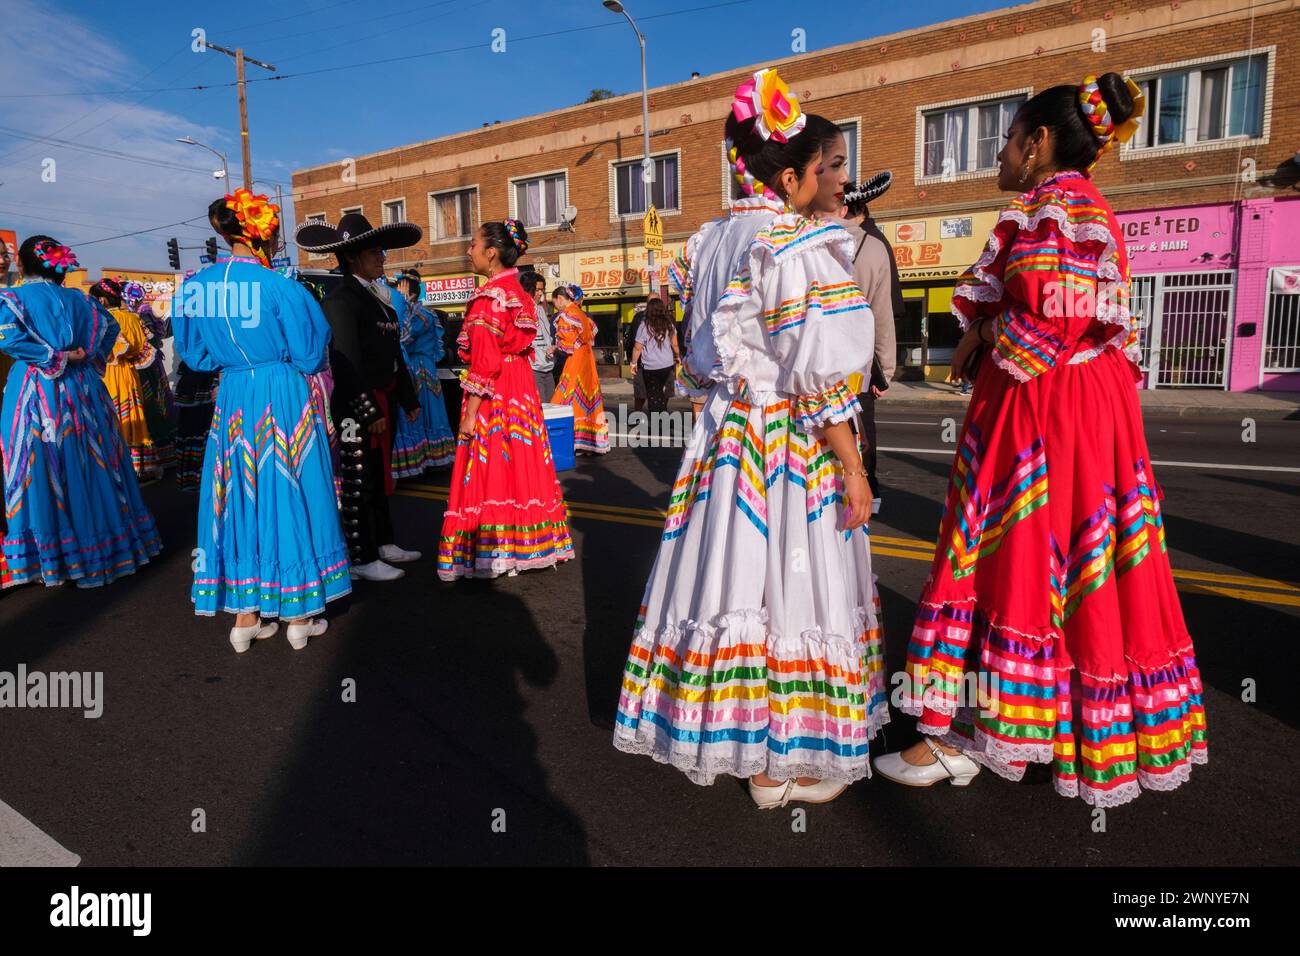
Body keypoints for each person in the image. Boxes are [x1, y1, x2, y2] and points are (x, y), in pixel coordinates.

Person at [873, 73, 1207, 806]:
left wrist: (985, 331)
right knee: (1080, 572)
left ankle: (946, 735)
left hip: (1041, 413)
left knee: (1003, 560)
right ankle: (1048, 731)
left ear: (1041, 142)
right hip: (1085, 412)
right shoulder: (1078, 207)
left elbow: (1043, 330)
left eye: (1010, 139)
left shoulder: (1057, 206)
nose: (1003, 152)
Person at [613, 69, 886, 808]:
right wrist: (853, 466)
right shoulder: (791, 244)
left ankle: (737, 741)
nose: (834, 181)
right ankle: (782, 762)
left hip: (723, 438)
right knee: (792, 591)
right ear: (790, 174)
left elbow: (671, 304)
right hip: (786, 438)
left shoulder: (708, 239)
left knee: (730, 580)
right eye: (826, 168)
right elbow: (818, 375)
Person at [173, 193, 347, 651]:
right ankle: (298, 613)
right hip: (282, 392)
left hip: (233, 396)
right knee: (290, 487)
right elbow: (311, 355)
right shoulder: (282, 287)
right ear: (263, 232)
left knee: (239, 494)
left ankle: (246, 616)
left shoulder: (195, 287)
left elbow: (194, 355)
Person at [0, 236, 161, 588]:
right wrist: (86, 357)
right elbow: (110, 329)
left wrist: (52, 357)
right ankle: (101, 543)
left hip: (36, 387)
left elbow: (8, 338)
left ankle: (51, 554)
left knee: (39, 462)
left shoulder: (12, 298)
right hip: (84, 387)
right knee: (91, 458)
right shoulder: (79, 300)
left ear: (23, 266)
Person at [438, 219, 574, 580]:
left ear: (491, 253)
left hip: (496, 392)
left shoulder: (488, 300)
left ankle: (496, 551)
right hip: (521, 387)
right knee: (521, 462)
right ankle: (526, 545)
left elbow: (484, 364)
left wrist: (469, 414)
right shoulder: (520, 294)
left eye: (473, 245)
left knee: (491, 465)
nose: (469, 251)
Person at [296, 212, 424, 583]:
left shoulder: (377, 297)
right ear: (353, 257)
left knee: (381, 477)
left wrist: (409, 399)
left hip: (383, 400)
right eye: (375, 253)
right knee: (358, 482)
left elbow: (393, 354)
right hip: (357, 405)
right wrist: (368, 411)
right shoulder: (341, 298)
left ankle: (383, 543)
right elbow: (346, 362)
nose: (382, 258)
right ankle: (361, 556)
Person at [830, 171, 898, 507]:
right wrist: (885, 368)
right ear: (862, 212)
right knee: (862, 431)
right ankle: (865, 498)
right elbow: (882, 317)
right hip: (858, 365)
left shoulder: (814, 240)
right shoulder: (875, 248)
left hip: (819, 364)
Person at [90, 276, 160, 481]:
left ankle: (115, 465)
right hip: (129, 374)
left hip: (107, 375)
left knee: (112, 416)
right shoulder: (133, 318)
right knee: (133, 415)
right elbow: (144, 350)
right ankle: (139, 465)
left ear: (102, 301)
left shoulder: (101, 320)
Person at [390, 268, 455, 477]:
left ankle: (426, 458)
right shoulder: (428, 314)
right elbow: (438, 347)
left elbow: (403, 338)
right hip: (428, 367)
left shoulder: (415, 314)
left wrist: (401, 305)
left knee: (418, 412)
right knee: (431, 411)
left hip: (415, 366)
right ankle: (434, 457)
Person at [549, 284, 609, 454]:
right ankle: (590, 441)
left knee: (566, 397)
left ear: (560, 299)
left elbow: (567, 345)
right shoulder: (581, 314)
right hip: (587, 360)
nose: (556, 306)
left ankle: (571, 440)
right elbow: (592, 333)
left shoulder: (566, 316)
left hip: (575, 361)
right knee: (588, 395)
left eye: (555, 302)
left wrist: (555, 347)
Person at [630, 297, 679, 413]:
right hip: (667, 365)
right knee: (662, 393)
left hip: (651, 367)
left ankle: (658, 422)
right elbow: (675, 345)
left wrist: (633, 363)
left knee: (653, 394)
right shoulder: (669, 325)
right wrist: (677, 356)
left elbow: (638, 348)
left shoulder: (644, 326)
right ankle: (663, 416)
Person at [518, 271, 556, 401]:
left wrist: (553, 347)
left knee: (552, 407)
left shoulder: (540, 309)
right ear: (527, 289)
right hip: (532, 368)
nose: (541, 293)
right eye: (537, 290)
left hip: (548, 366)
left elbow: (547, 336)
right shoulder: (519, 309)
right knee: (540, 408)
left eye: (542, 290)